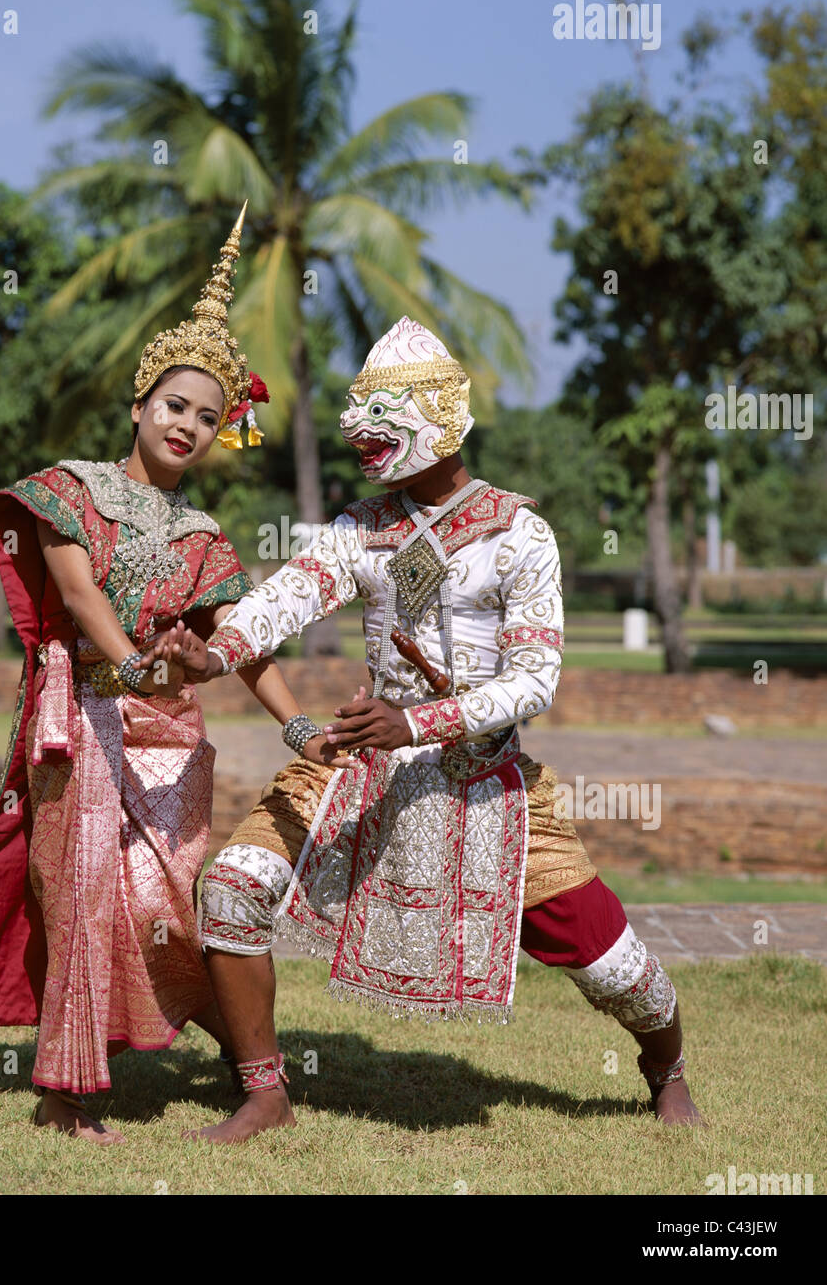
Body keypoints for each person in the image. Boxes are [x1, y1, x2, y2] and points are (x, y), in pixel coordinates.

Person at [140, 315, 703, 1143]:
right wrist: (210, 654)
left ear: (440, 418)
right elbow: (280, 602)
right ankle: (265, 1092)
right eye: (357, 415)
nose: (358, 435)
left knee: (614, 966)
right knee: (231, 886)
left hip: (483, 781)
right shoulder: (362, 529)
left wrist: (415, 721)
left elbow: (536, 680)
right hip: (361, 767)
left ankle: (667, 1070)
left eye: (382, 415)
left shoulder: (519, 533)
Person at [0, 206, 347, 1144]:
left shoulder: (202, 537)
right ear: (140, 404)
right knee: (84, 889)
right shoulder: (69, 490)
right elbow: (80, 598)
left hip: (162, 740)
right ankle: (65, 1093)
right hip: (79, 720)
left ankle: (247, 1062)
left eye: (210, 418)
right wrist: (135, 661)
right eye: (175, 405)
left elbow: (243, 638)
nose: (189, 425)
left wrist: (296, 726)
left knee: (163, 909)